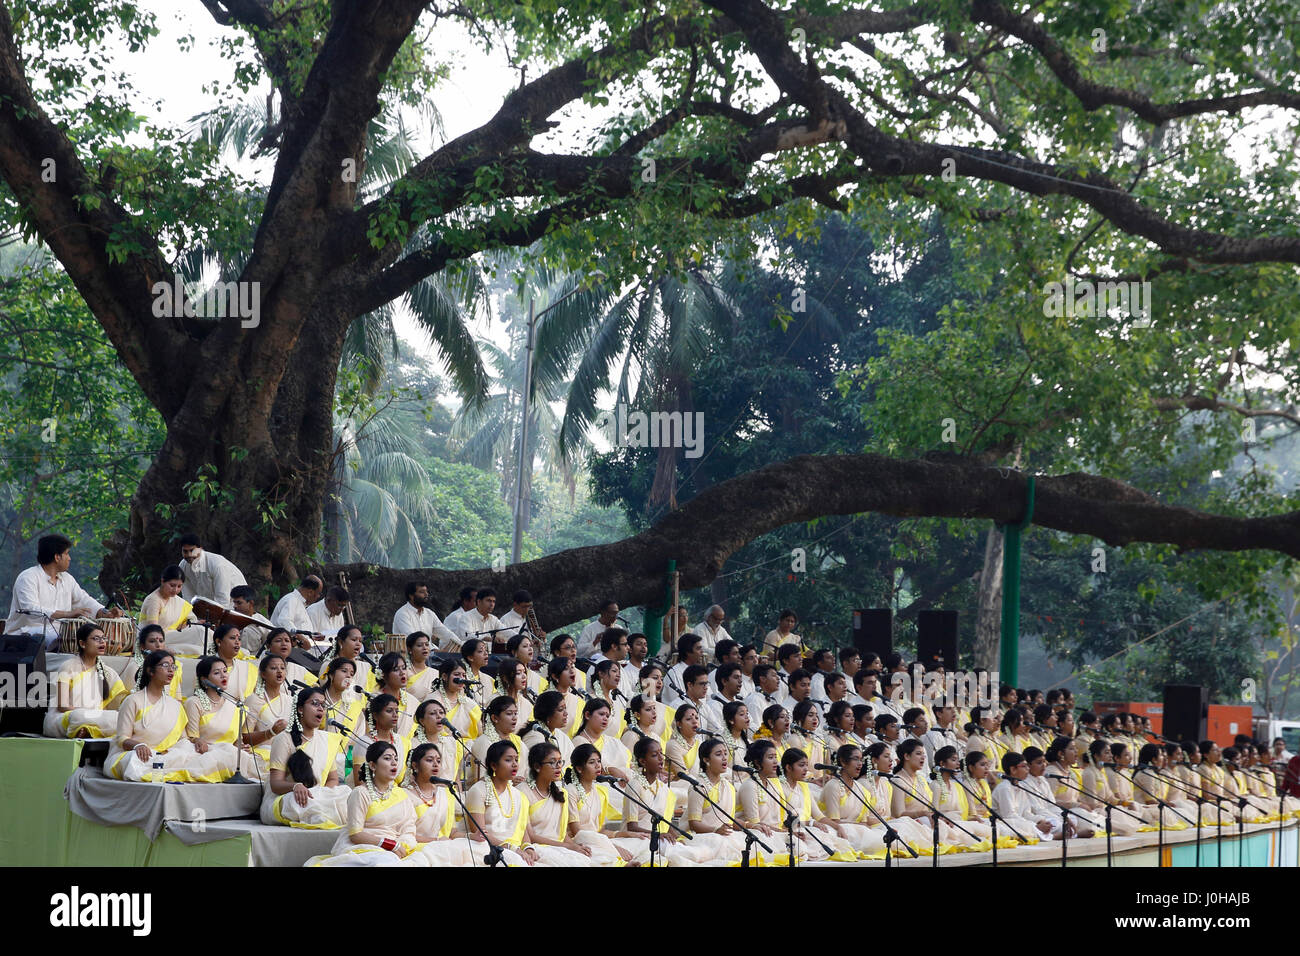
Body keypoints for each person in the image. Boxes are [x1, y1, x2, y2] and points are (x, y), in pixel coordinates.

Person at [307, 741, 419, 866]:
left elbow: (409, 827)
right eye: (387, 758)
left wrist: (403, 845)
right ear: (372, 765)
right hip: (363, 848)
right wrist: (390, 845)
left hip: (396, 848)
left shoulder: (401, 795)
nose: (394, 763)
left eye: (396, 759)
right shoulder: (361, 793)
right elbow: (355, 834)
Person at [105, 651, 206, 782]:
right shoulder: (133, 700)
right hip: (139, 755)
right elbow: (122, 738)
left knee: (192, 754)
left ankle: (163, 771)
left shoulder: (176, 705)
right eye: (165, 665)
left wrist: (196, 741)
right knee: (133, 761)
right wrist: (138, 746)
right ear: (150, 671)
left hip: (166, 756)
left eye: (173, 666)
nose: (171, 670)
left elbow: (183, 740)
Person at [6, 533, 118, 648]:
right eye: (67, 553)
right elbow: (30, 610)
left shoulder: (67, 579)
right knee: (68, 636)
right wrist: (67, 614)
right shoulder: (28, 577)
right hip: (22, 640)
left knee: (90, 636)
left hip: (58, 636)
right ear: (57, 557)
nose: (69, 558)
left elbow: (84, 600)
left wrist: (105, 613)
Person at [261, 686, 348, 828]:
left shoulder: (326, 740)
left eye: (323, 705)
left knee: (346, 793)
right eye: (315, 704)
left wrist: (321, 794)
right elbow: (276, 785)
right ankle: (320, 813)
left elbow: (333, 779)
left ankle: (320, 812)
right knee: (304, 803)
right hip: (285, 799)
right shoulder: (284, 739)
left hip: (314, 796)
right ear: (300, 709)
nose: (321, 709)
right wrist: (296, 786)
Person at [518, 743, 598, 865]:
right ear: (537, 767)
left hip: (560, 847)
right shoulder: (523, 791)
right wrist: (568, 847)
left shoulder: (561, 793)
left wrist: (575, 846)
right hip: (537, 848)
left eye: (560, 762)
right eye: (552, 762)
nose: (558, 766)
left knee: (590, 858)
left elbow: (563, 835)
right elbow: (531, 836)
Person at [463, 740, 540, 866]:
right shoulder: (478, 790)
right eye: (509, 760)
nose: (515, 764)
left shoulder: (519, 795)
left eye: (516, 759)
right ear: (493, 765)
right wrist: (511, 848)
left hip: (514, 849)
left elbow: (523, 831)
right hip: (487, 849)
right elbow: (480, 834)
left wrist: (527, 847)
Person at [45, 621, 127, 738]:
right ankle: (87, 729)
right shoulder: (68, 666)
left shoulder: (108, 672)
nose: (102, 642)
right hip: (65, 717)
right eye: (96, 639)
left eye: (103, 638)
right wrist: (88, 713)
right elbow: (62, 706)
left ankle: (88, 730)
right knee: (79, 716)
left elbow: (118, 703)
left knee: (121, 717)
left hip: (95, 717)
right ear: (82, 644)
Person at [564, 743, 643, 863]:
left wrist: (625, 834)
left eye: (599, 761)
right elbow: (578, 833)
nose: (598, 766)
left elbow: (600, 831)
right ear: (579, 768)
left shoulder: (599, 791)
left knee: (641, 844)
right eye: (592, 762)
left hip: (600, 841)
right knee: (609, 858)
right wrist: (613, 848)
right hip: (580, 844)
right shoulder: (571, 791)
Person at [183, 656, 257, 782]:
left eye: (225, 671)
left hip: (229, 753)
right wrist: (198, 741)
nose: (224, 676)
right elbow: (191, 737)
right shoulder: (194, 703)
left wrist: (241, 745)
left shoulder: (235, 706)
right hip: (203, 754)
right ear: (204, 680)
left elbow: (235, 739)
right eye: (217, 673)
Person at [402, 743, 474, 866]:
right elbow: (404, 836)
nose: (435, 764)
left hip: (443, 846)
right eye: (429, 760)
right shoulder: (404, 795)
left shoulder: (445, 793)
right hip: (417, 850)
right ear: (415, 765)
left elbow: (452, 833)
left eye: (439, 761)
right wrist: (435, 841)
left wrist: (471, 836)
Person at [817, 745, 888, 859]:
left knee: (886, 839)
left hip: (856, 831)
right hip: (835, 830)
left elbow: (864, 822)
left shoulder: (862, 790)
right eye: (855, 759)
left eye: (861, 760)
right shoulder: (833, 786)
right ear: (843, 762)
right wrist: (858, 826)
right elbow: (834, 821)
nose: (860, 763)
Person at [993, 752, 1061, 840]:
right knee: (1027, 828)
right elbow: (1009, 816)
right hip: (1007, 823)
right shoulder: (1004, 788)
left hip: (1021, 822)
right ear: (1013, 769)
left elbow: (1026, 813)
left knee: (1050, 823)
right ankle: (1052, 837)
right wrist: (1035, 825)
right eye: (1024, 766)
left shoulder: (1020, 786)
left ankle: (1042, 833)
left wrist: (1041, 820)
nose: (1028, 769)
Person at [243, 653, 293, 766]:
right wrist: (270, 732)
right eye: (274, 668)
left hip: (287, 753)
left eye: (282, 668)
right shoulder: (253, 700)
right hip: (262, 755)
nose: (279, 671)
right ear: (263, 674)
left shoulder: (289, 700)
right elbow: (244, 738)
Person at [352, 693, 411, 786]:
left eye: (397, 711)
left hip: (399, 794)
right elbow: (359, 782)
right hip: (373, 795)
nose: (395, 715)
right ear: (375, 716)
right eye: (389, 711)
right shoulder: (364, 743)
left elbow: (407, 779)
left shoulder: (402, 742)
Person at [177, 533, 247, 608]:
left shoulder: (217, 565)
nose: (189, 555)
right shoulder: (183, 566)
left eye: (192, 550)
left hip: (235, 605)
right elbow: (188, 598)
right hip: (209, 609)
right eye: (185, 551)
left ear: (200, 549)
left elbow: (222, 599)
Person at [138, 565, 201, 649]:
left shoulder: (177, 600)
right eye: (172, 585)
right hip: (156, 640)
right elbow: (153, 631)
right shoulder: (154, 600)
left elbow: (190, 618)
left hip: (172, 636)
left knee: (201, 632)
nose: (175, 590)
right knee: (199, 634)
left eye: (179, 586)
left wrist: (187, 624)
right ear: (163, 581)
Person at [573, 698, 633, 782]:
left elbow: (628, 762)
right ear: (587, 715)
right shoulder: (579, 741)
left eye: (607, 716)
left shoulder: (613, 741)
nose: (605, 718)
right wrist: (610, 770)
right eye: (601, 714)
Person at [119, 624, 183, 700]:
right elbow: (132, 697)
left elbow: (178, 698)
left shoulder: (173, 666)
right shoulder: (134, 667)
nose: (158, 645)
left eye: (161, 641)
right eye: (152, 641)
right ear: (142, 646)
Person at [469, 696, 523, 786]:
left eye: (515, 713)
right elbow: (482, 779)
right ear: (494, 718)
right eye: (509, 714)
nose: (514, 718)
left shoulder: (517, 741)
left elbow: (526, 771)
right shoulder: (484, 742)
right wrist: (509, 780)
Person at [391, 581, 459, 647]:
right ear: (411, 596)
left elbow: (444, 632)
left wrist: (461, 644)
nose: (426, 594)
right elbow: (412, 638)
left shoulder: (429, 613)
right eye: (422, 592)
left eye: (426, 591)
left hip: (428, 653)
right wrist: (432, 651)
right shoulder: (402, 613)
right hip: (408, 656)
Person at [429, 657, 483, 739]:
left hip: (468, 748)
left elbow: (480, 733)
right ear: (444, 676)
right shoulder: (433, 700)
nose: (461, 678)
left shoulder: (469, 704)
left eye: (464, 675)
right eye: (457, 674)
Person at [521, 690, 575, 768]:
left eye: (565, 709)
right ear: (548, 715)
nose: (566, 713)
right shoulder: (534, 736)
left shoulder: (560, 734)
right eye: (560, 710)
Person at [317, 624, 375, 693]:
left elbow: (373, 691)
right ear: (340, 642)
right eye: (354, 640)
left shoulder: (366, 667)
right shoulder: (328, 666)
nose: (358, 644)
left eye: (360, 641)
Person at [375, 652, 420, 740]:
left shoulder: (413, 702)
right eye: (396, 669)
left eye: (404, 668)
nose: (402, 673)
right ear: (383, 675)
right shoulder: (374, 700)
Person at [212, 623, 258, 702]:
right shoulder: (208, 667)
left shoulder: (249, 668)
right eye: (232, 638)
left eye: (239, 639)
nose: (237, 642)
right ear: (218, 641)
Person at [270, 575, 323, 640]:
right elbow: (284, 622)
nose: (318, 597)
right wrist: (302, 639)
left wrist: (312, 636)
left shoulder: (300, 602)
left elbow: (298, 627)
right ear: (310, 592)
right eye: (319, 593)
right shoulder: (292, 600)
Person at [494, 658, 536, 733]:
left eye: (524, 672)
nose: (524, 676)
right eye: (518, 673)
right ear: (505, 678)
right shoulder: (494, 701)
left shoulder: (526, 703)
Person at [230, 585, 274, 654]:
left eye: (239, 603)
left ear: (251, 603)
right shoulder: (228, 618)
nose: (235, 606)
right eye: (234, 602)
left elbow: (272, 644)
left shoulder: (263, 623)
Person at [404, 632, 436, 700]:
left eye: (427, 644)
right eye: (419, 645)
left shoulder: (435, 673)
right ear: (410, 650)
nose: (425, 648)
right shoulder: (403, 672)